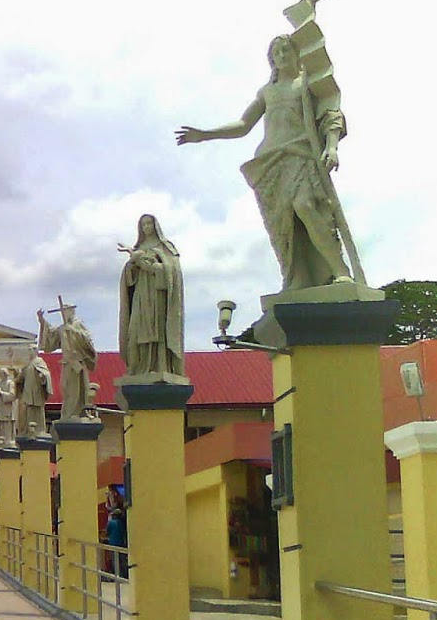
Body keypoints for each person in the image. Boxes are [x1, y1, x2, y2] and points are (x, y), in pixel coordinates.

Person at [176, 32, 360, 291]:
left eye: (287, 50)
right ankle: (296, 277)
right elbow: (243, 125)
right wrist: (205, 135)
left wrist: (331, 146)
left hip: (300, 154)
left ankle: (340, 270)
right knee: (283, 224)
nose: (283, 56)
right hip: (271, 162)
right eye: (277, 53)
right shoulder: (267, 92)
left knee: (306, 205)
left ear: (298, 54)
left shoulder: (307, 84)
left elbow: (331, 113)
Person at [117, 214, 186, 379]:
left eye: (149, 223)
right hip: (141, 294)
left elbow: (173, 272)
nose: (146, 227)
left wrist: (153, 266)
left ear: (155, 225)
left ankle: (161, 365)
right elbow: (129, 277)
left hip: (158, 295)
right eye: (143, 224)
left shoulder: (165, 247)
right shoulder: (138, 246)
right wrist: (132, 264)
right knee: (136, 329)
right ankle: (138, 367)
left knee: (158, 330)